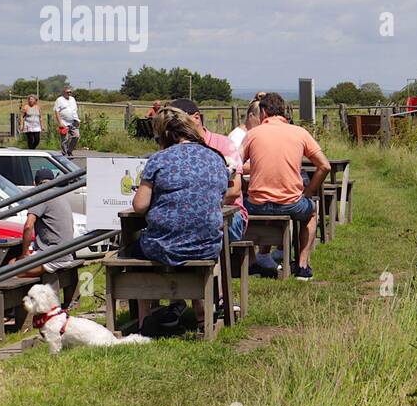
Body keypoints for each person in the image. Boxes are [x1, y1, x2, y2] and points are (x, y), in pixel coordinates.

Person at [240, 92, 330, 281]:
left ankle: (252, 259)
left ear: (263, 112)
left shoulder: (253, 134)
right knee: (311, 212)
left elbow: (235, 165)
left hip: (257, 203)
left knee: (239, 210)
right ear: (283, 112)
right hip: (290, 202)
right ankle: (303, 265)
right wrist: (308, 192)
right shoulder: (299, 132)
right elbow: (324, 166)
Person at [128, 106, 229, 266]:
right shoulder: (216, 158)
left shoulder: (159, 160)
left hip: (164, 247)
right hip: (208, 248)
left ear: (167, 135)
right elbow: (220, 200)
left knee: (128, 248)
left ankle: (145, 289)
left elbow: (139, 206)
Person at [170, 98, 247, 242]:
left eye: (178, 120)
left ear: (196, 117)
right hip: (189, 214)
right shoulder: (172, 149)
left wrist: (200, 204)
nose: (173, 126)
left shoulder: (224, 144)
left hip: (229, 214)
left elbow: (235, 190)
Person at [19, 169, 79, 276]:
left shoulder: (40, 196)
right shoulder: (61, 196)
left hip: (53, 257)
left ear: (34, 184)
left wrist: (25, 253)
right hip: (68, 254)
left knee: (11, 269)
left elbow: (28, 226)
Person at [54, 85, 80, 158]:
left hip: (73, 121)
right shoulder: (59, 100)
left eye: (70, 92)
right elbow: (57, 111)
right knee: (65, 139)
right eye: (67, 92)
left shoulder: (72, 99)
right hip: (64, 122)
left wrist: (77, 120)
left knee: (76, 136)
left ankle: (70, 150)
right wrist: (60, 122)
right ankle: (64, 153)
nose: (69, 93)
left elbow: (74, 110)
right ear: (64, 92)